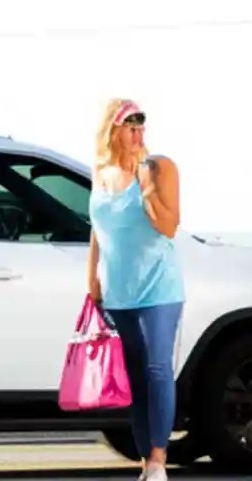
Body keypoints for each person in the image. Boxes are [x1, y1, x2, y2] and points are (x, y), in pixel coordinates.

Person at [86, 99, 185, 481]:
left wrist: (147, 191)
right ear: (113, 129)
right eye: (130, 125)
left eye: (141, 126)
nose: (138, 133)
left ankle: (159, 458)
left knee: (158, 369)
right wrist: (91, 277)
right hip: (119, 291)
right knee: (136, 376)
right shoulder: (100, 172)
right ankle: (148, 462)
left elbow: (169, 226)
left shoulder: (159, 168)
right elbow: (97, 227)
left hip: (159, 287)